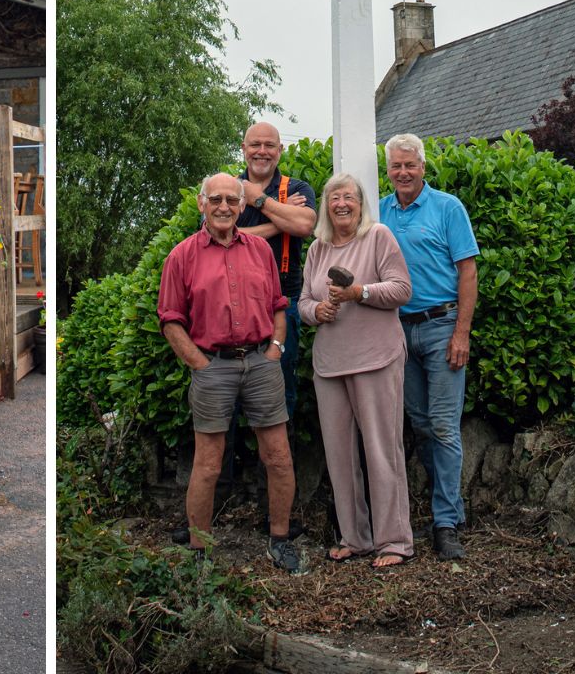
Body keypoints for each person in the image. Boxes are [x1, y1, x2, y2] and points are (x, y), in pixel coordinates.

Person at [158, 172, 301, 573]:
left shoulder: (260, 250)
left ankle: (280, 540)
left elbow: (278, 305)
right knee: (208, 464)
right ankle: (199, 551)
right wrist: (199, 365)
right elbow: (170, 320)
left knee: (278, 457)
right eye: (216, 199)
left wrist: (275, 350)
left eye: (232, 200)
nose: (224, 207)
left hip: (261, 363)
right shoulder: (181, 256)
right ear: (201, 204)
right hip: (213, 366)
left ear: (242, 206)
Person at [300, 173, 414, 568]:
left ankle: (394, 541)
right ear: (326, 207)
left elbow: (402, 289)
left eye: (348, 197)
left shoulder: (378, 237)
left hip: (376, 358)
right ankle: (355, 537)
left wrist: (358, 292)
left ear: (361, 204)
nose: (341, 204)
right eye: (334, 198)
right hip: (330, 364)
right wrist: (317, 311)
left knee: (382, 451)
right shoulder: (317, 249)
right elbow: (302, 302)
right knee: (340, 456)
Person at [380, 133, 480, 560]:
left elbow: (468, 272)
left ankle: (446, 524)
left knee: (443, 426)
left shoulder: (447, 207)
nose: (403, 172)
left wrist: (462, 333)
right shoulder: (380, 211)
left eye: (410, 165)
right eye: (396, 166)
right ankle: (446, 510)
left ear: (423, 167)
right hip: (396, 331)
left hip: (441, 327)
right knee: (420, 424)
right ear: (388, 170)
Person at [236, 122, 318, 420]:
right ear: (243, 149)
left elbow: (304, 225)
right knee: (231, 398)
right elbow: (220, 236)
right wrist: (280, 220)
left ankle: (281, 450)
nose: (262, 151)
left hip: (282, 305)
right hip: (233, 306)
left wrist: (258, 199)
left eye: (269, 145)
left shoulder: (297, 188)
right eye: (255, 145)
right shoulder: (228, 189)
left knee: (281, 394)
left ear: (280, 150)